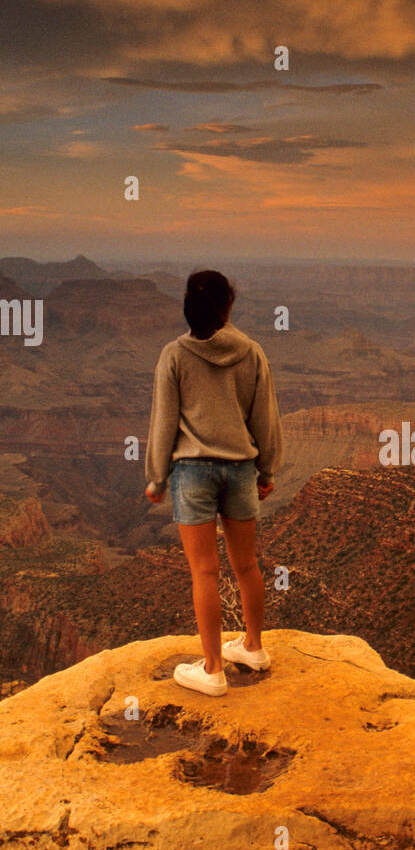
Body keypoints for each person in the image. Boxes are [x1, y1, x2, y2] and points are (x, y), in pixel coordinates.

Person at [144, 270, 283, 696]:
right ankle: (254, 647)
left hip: (192, 472)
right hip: (240, 469)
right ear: (228, 306)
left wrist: (156, 477)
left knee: (204, 571)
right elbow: (266, 417)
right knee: (247, 565)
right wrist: (268, 470)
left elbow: (164, 421)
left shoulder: (174, 355)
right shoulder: (252, 352)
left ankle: (212, 669)